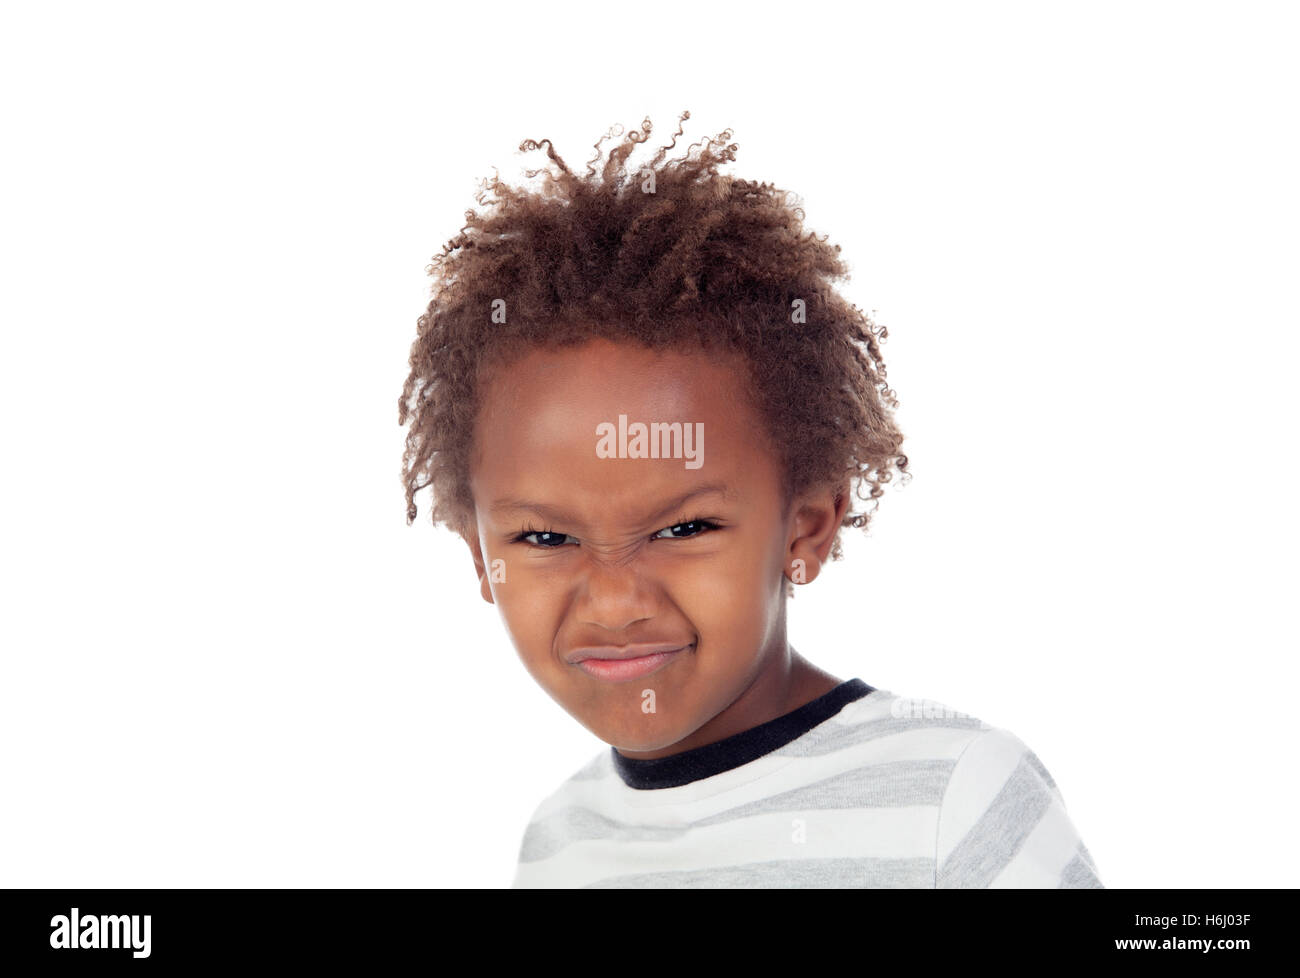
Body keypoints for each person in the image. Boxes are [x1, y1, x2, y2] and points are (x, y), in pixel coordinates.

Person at [397, 111, 1102, 888]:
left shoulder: (952, 796)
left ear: (805, 528)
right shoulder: (559, 844)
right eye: (545, 540)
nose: (613, 602)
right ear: (479, 555)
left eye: (684, 526)